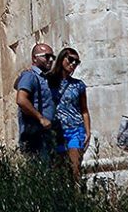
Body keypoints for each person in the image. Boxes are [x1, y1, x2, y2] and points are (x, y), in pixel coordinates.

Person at [47, 47, 90, 180]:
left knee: (75, 169)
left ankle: (76, 198)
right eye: (70, 59)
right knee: (57, 170)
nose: (73, 64)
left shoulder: (78, 85)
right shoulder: (48, 80)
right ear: (62, 59)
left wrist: (87, 131)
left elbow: (84, 110)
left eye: (76, 62)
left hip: (75, 129)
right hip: (56, 131)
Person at [15, 42, 56, 156]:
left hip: (46, 134)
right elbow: (21, 100)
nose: (50, 60)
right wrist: (40, 118)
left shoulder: (42, 77)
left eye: (52, 57)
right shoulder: (30, 76)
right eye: (46, 56)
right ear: (34, 58)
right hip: (35, 134)